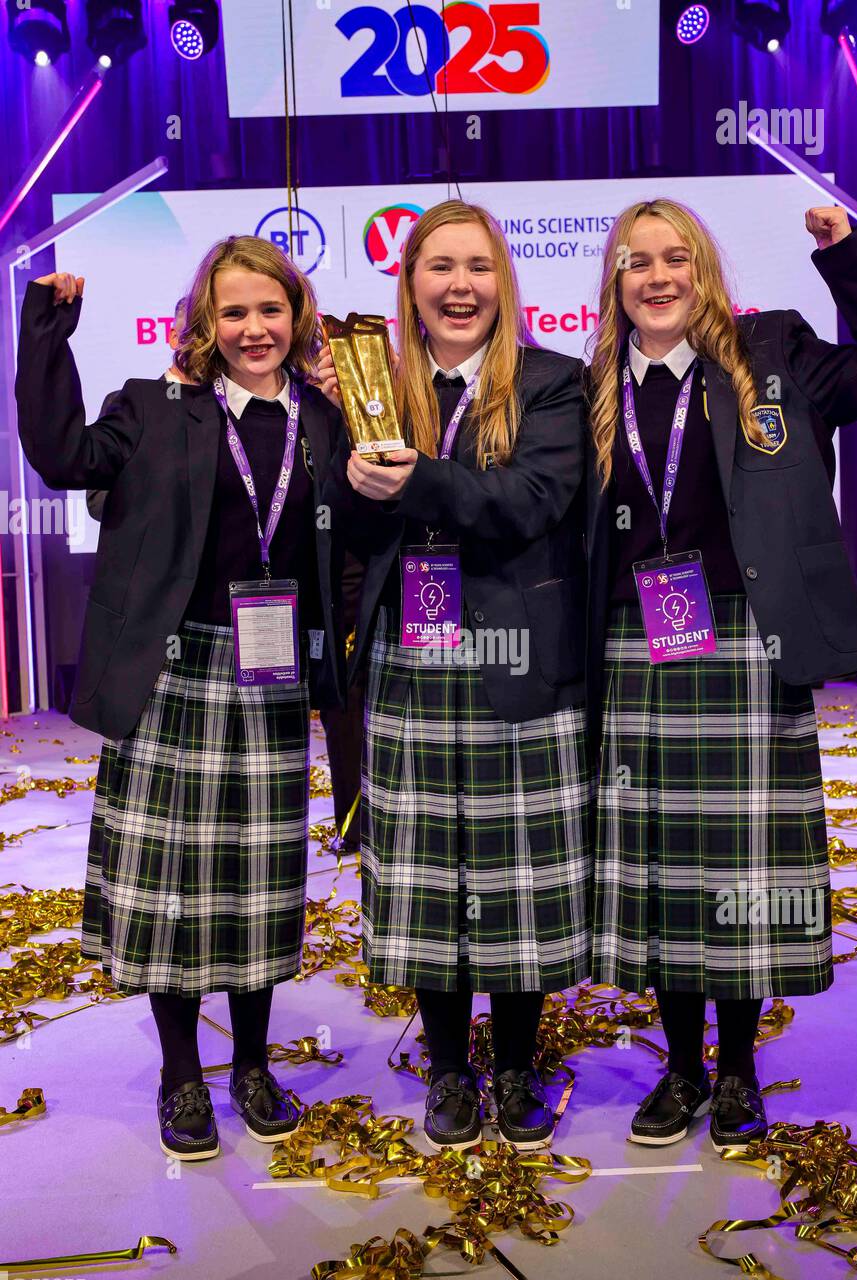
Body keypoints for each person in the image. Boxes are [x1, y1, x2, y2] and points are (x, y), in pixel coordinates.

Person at [585, 200, 857, 1151]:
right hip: (637, 649)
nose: (657, 278)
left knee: (738, 871)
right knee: (666, 872)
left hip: (747, 642)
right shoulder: (588, 391)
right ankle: (683, 1069)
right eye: (636, 263)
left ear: (704, 269)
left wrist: (851, 258)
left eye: (675, 260)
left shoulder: (774, 353)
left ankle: (737, 1071)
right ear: (614, 284)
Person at [15, 237, 346, 1161]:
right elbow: (61, 454)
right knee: (172, 894)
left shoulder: (325, 420)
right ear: (204, 322)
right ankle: (178, 1077)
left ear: (296, 318)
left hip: (273, 677)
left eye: (269, 311)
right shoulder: (153, 408)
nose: (253, 329)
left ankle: (250, 1066)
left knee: (257, 885)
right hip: (172, 675)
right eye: (233, 312)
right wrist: (45, 332)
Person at [320, 200, 589, 1151]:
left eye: (477, 267)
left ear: (503, 284)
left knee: (516, 882)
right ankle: (446, 1068)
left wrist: (415, 478)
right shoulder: (372, 389)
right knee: (432, 881)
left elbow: (531, 502)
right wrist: (346, 475)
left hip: (519, 661)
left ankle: (514, 1064)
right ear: (412, 285)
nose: (459, 285)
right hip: (411, 661)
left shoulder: (556, 384)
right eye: (440, 267)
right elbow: (348, 532)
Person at [86, 295, 193, 522]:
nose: (205, 342)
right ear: (174, 337)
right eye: (195, 331)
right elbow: (98, 503)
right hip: (155, 553)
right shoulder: (127, 404)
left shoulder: (234, 408)